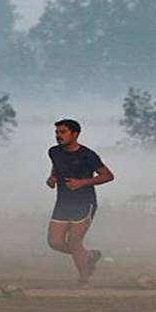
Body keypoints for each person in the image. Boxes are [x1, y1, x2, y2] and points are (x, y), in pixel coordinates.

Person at [47, 119, 114, 284]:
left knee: (74, 242)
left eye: (63, 132)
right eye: (57, 132)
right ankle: (88, 256)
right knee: (55, 242)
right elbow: (57, 165)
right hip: (63, 202)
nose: (58, 136)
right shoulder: (54, 151)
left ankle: (84, 278)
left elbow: (108, 176)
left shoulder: (87, 155)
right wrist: (52, 177)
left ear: (75, 134)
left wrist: (82, 182)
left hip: (84, 202)